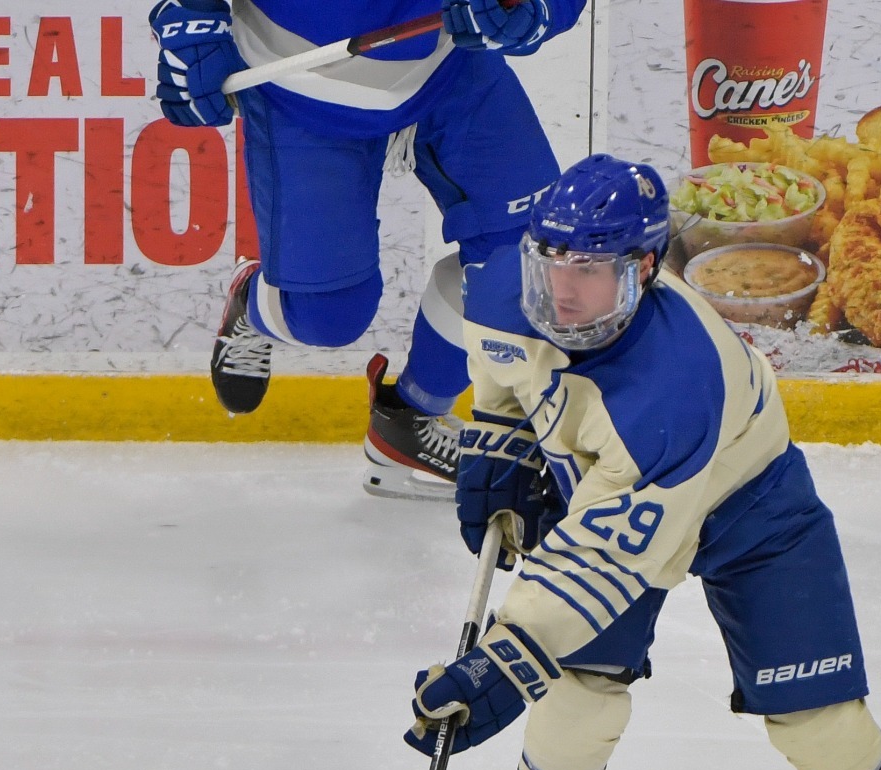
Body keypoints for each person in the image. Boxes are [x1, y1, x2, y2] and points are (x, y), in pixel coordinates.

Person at [405, 154, 881, 770]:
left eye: (591, 271)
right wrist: (498, 446)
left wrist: (499, 664)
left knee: (821, 721)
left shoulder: (673, 389)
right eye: (552, 262)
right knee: (574, 701)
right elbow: (501, 372)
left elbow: (598, 561)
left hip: (750, 506)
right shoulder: (506, 286)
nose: (561, 291)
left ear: (643, 271)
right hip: (616, 487)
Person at [147, 0, 585, 499]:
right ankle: (254, 305)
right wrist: (188, 13)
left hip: (450, 63)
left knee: (535, 262)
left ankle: (410, 421)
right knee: (328, 317)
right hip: (299, 82)